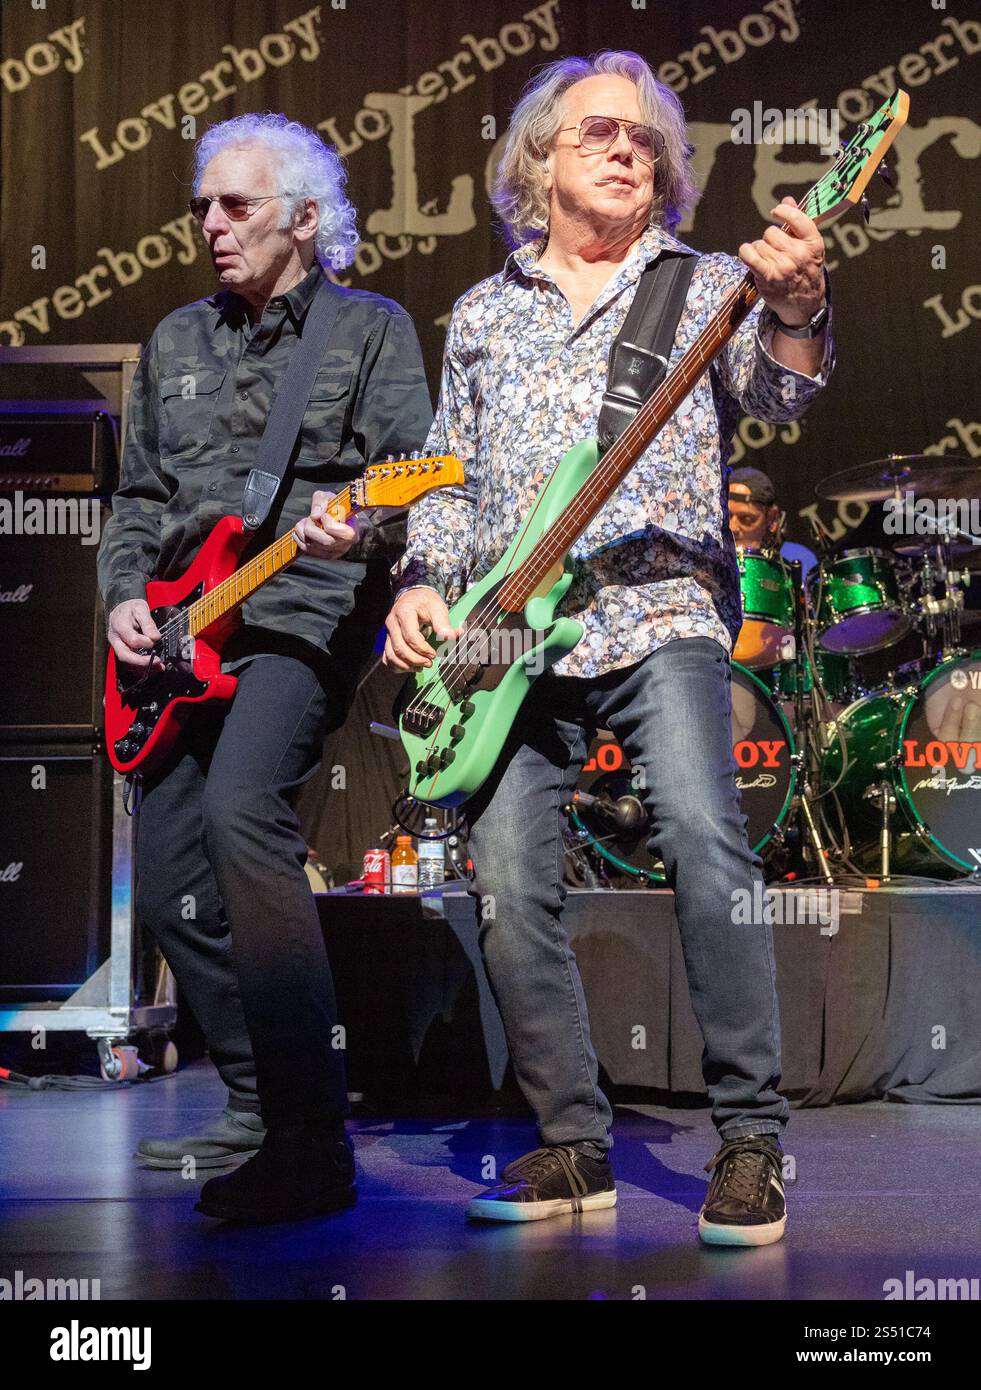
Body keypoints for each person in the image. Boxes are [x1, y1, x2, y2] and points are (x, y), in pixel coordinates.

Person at [383, 51, 834, 1245]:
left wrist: (794, 308)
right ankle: (575, 1146)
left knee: (700, 832)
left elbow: (780, 399)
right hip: (500, 640)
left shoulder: (703, 286)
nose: (628, 148)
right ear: (540, 161)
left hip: (659, 614)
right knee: (512, 884)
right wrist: (422, 583)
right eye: (598, 132)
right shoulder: (483, 315)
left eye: (645, 139)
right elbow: (444, 479)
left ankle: (751, 1144)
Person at [97, 113, 432, 1223]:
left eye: (234, 205)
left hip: (302, 612)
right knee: (170, 864)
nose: (209, 225)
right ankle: (251, 1092)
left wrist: (363, 530)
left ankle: (310, 1135)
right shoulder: (177, 341)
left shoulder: (368, 328)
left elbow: (414, 476)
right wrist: (121, 601)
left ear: (303, 216)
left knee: (245, 809)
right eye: (202, 205)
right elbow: (140, 501)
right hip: (186, 630)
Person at [728, 465, 817, 574]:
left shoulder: (798, 557)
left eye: (747, 519)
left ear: (771, 518)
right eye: (726, 517)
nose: (732, 527)